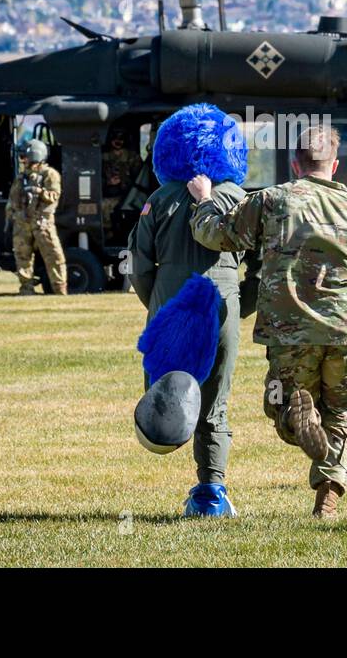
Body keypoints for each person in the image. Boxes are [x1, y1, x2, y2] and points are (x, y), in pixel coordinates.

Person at [188, 124, 347, 520]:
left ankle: (296, 420)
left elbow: (216, 234)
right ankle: (327, 499)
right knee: (344, 414)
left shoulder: (271, 200)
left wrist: (204, 200)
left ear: (295, 163)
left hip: (289, 333)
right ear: (335, 165)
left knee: (280, 407)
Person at [131, 104, 258, 517]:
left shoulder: (158, 199)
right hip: (222, 302)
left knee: (168, 388)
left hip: (170, 303)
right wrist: (242, 304)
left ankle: (161, 435)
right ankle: (211, 492)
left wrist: (157, 302)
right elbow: (262, 262)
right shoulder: (240, 198)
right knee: (215, 402)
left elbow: (137, 264)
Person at [7, 139, 67, 295]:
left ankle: (59, 289)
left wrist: (39, 192)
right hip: (22, 223)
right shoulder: (21, 177)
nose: (22, 160)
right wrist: (13, 217)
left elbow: (54, 196)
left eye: (24, 157)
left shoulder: (50, 175)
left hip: (43, 223)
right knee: (22, 257)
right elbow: (12, 200)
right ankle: (26, 289)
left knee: (54, 256)